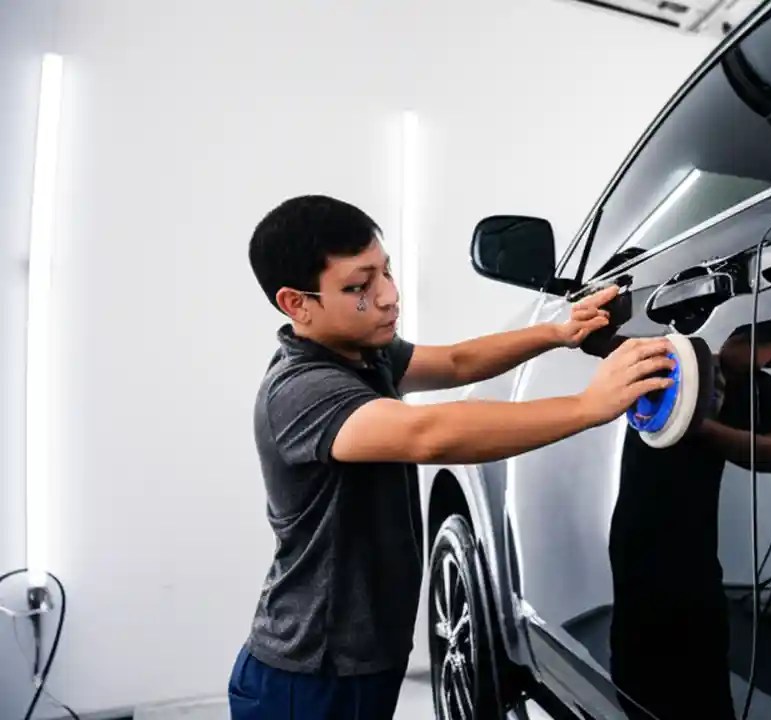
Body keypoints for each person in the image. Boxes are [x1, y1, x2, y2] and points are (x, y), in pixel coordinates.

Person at [228, 195, 673, 719]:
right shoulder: (302, 389)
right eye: (359, 287)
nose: (390, 296)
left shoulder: (365, 355)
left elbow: (459, 361)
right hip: (307, 676)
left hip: (358, 662)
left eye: (385, 271)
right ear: (296, 303)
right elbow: (428, 433)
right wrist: (587, 405)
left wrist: (557, 332)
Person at [608, 319, 771, 720]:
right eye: (744, 337)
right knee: (634, 653)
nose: (748, 348)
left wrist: (697, 426)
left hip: (693, 543)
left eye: (763, 346)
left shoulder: (759, 388)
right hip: (636, 532)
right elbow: (609, 347)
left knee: (703, 657)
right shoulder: (677, 362)